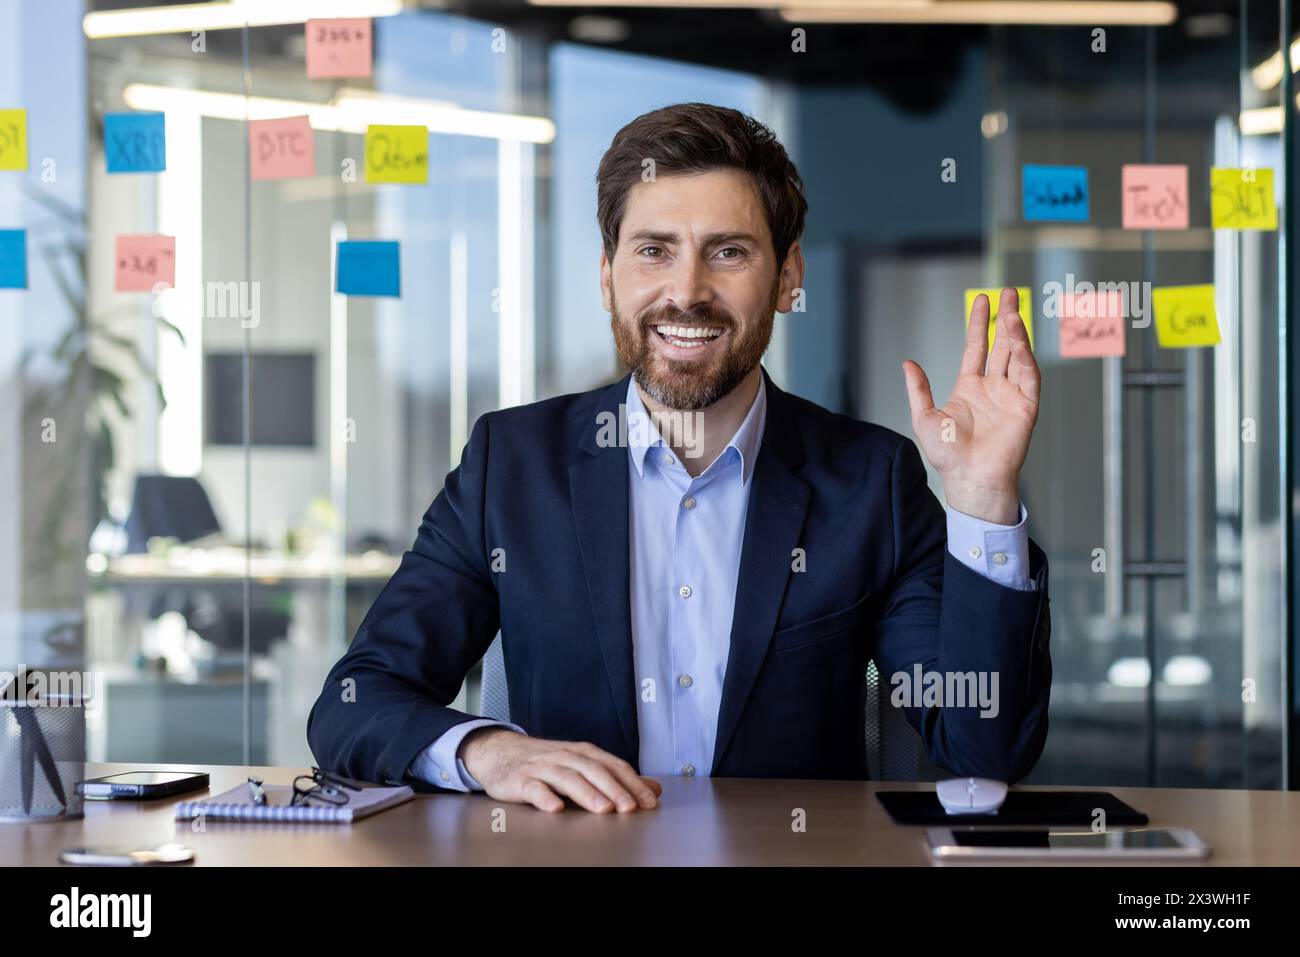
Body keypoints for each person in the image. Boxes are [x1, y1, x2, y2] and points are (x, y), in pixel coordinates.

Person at [308, 102, 1050, 814]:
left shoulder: (870, 482)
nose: (687, 292)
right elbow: (356, 703)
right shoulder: (512, 466)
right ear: (607, 275)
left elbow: (982, 748)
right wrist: (489, 752)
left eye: (728, 252)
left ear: (789, 275)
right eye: (654, 251)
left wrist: (983, 499)